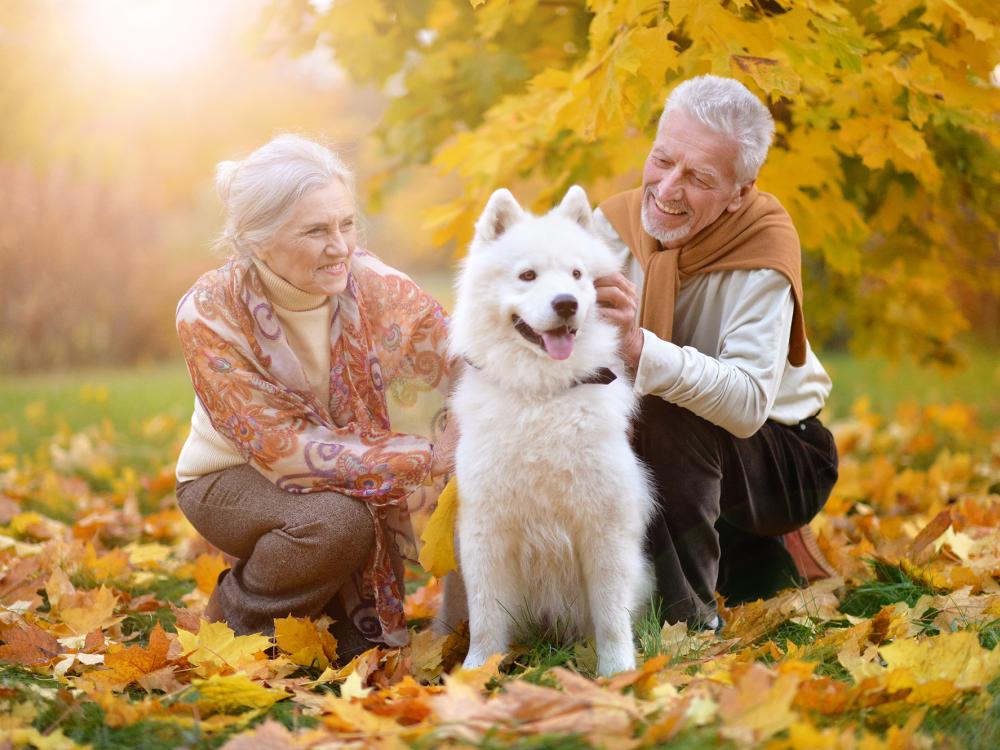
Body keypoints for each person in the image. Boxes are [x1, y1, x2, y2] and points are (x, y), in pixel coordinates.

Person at [174, 134, 455, 657]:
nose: (342, 245)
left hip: (354, 477)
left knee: (363, 651)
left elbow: (457, 349)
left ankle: (308, 608)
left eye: (346, 224)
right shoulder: (209, 311)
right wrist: (429, 456)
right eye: (316, 231)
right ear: (258, 240)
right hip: (229, 478)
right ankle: (236, 628)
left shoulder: (370, 283)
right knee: (336, 524)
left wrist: (470, 416)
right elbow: (283, 450)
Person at [594, 75, 839, 630]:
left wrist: (641, 350)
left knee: (661, 407)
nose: (668, 188)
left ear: (739, 194)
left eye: (699, 177)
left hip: (783, 454)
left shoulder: (763, 247)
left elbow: (749, 403)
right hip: (688, 459)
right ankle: (748, 563)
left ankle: (686, 625)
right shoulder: (610, 225)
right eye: (662, 160)